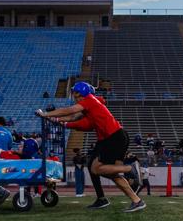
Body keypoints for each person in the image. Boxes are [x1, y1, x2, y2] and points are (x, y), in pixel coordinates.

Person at [40, 81, 146, 213]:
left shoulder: (90, 100)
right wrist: (59, 121)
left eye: (77, 94)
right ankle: (135, 200)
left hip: (113, 138)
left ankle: (129, 169)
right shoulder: (90, 106)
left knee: (96, 169)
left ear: (82, 94)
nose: (75, 98)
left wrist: (46, 114)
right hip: (112, 138)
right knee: (105, 171)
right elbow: (78, 120)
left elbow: (71, 112)